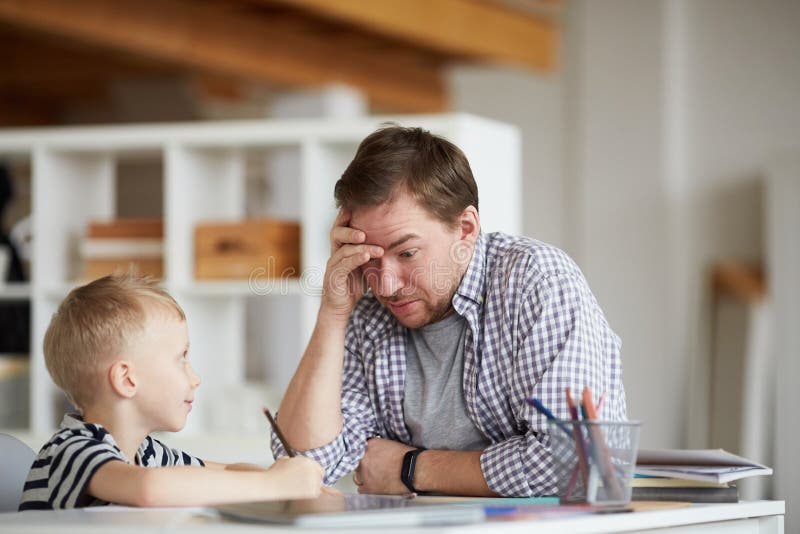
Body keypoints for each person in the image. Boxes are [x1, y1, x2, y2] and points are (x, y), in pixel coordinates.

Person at [273, 125, 627, 498]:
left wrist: (411, 468)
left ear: (466, 229)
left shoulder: (535, 280)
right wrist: (333, 312)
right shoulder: (367, 311)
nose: (386, 285)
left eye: (407, 253)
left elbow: (574, 463)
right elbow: (303, 464)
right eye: (369, 259)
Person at [19, 273, 324, 510]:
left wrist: (288, 476)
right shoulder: (72, 449)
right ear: (127, 379)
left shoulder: (147, 453)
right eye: (182, 358)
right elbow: (148, 489)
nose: (195, 378)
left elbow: (228, 469)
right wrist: (275, 486)